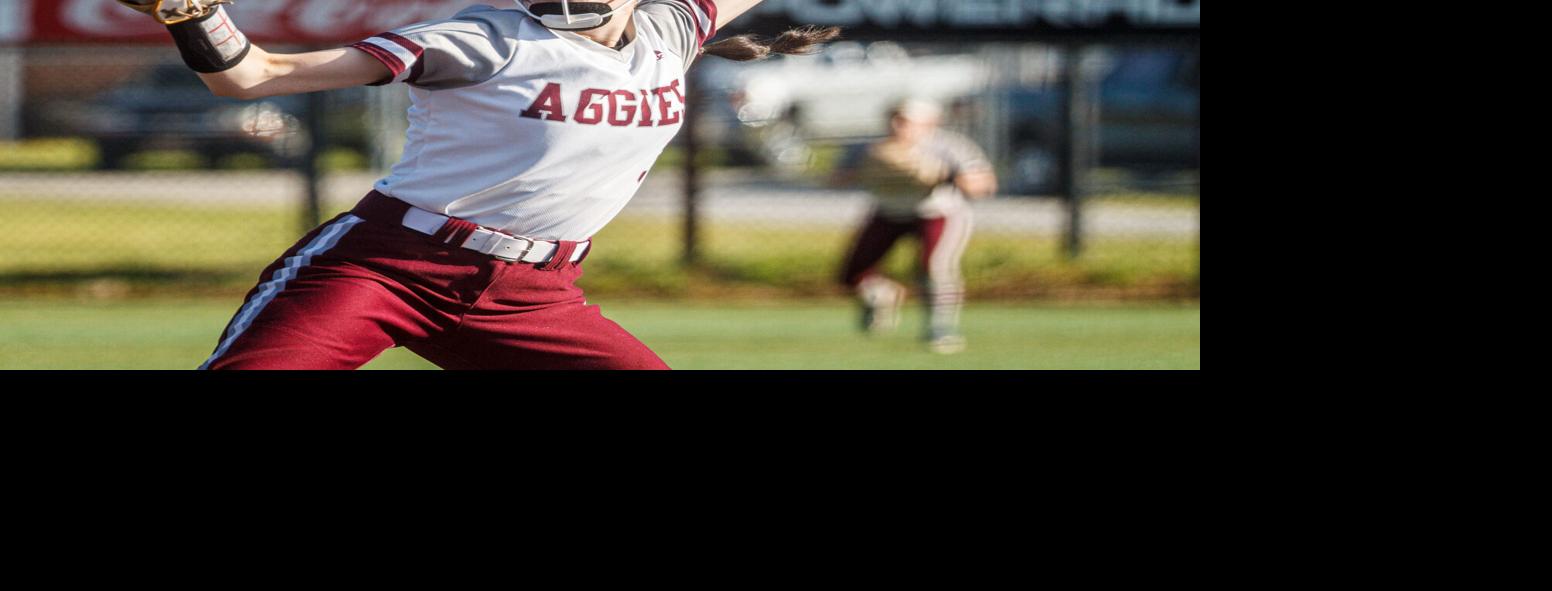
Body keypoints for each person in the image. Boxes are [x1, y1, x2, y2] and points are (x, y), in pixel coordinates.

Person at [115, 0, 837, 369]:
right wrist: (195, 13)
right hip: (387, 265)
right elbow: (253, 77)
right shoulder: (481, 38)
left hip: (536, 294)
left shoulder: (671, 30)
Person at [832, 98, 997, 354]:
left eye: (906, 121)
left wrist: (944, 175)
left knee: (934, 267)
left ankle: (940, 327)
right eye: (894, 118)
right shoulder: (870, 148)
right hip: (889, 211)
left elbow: (984, 184)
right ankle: (882, 295)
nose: (898, 126)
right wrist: (866, 172)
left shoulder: (947, 146)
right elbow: (834, 179)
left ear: (930, 123)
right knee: (853, 273)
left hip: (935, 211)